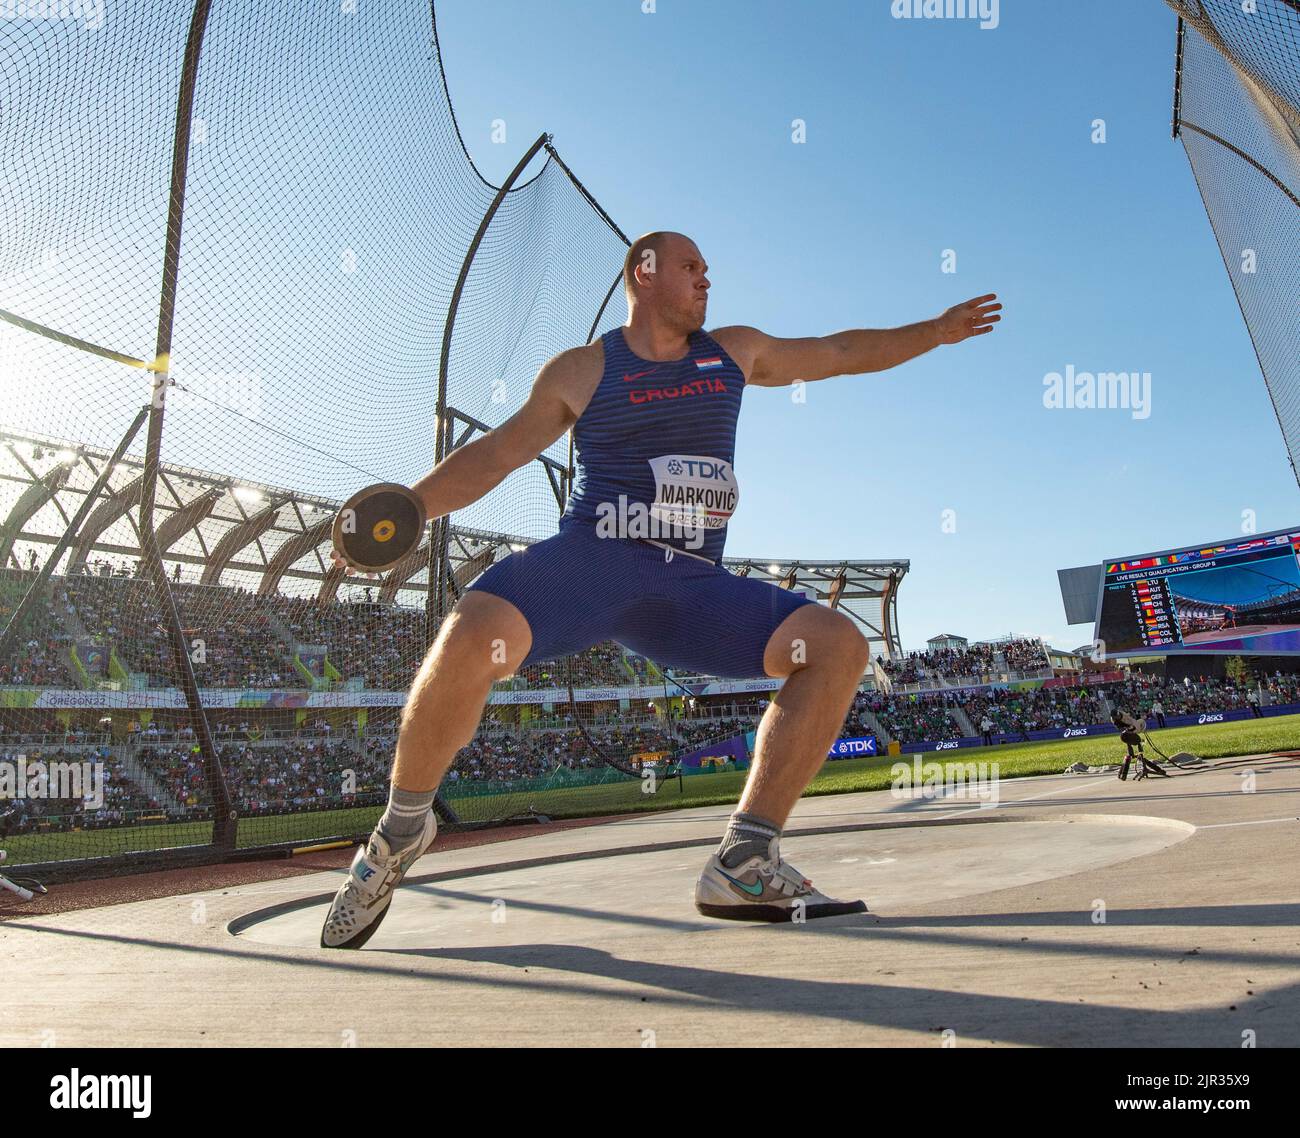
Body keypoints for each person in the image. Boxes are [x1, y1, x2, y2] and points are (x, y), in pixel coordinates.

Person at [320, 230, 1000, 948]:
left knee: (836, 646)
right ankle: (398, 834)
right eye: (690, 267)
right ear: (643, 275)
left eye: (707, 268)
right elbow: (500, 452)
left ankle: (746, 858)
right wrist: (411, 510)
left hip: (690, 588)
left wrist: (936, 331)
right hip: (590, 565)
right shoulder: (583, 369)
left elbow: (835, 354)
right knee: (467, 634)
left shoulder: (733, 350)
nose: (707, 278)